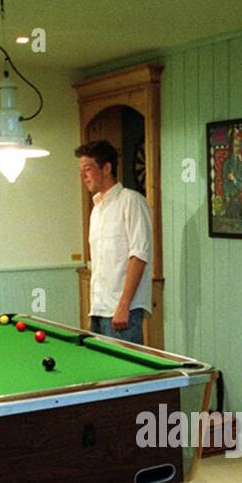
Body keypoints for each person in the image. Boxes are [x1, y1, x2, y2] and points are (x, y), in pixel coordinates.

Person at [76, 139, 152, 344]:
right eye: (81, 170)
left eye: (87, 169)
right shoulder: (97, 210)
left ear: (107, 168)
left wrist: (123, 305)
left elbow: (139, 255)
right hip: (99, 311)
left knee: (126, 375)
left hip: (123, 313)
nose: (82, 176)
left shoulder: (131, 201)